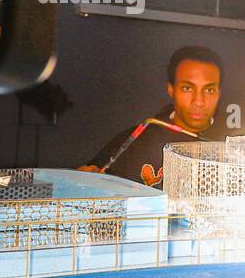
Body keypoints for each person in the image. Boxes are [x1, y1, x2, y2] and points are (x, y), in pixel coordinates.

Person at [81, 46, 227, 186]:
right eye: (187, 88)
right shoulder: (136, 141)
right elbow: (91, 183)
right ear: (171, 89)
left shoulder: (236, 145)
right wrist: (88, 182)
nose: (198, 101)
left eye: (209, 90)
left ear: (219, 93)